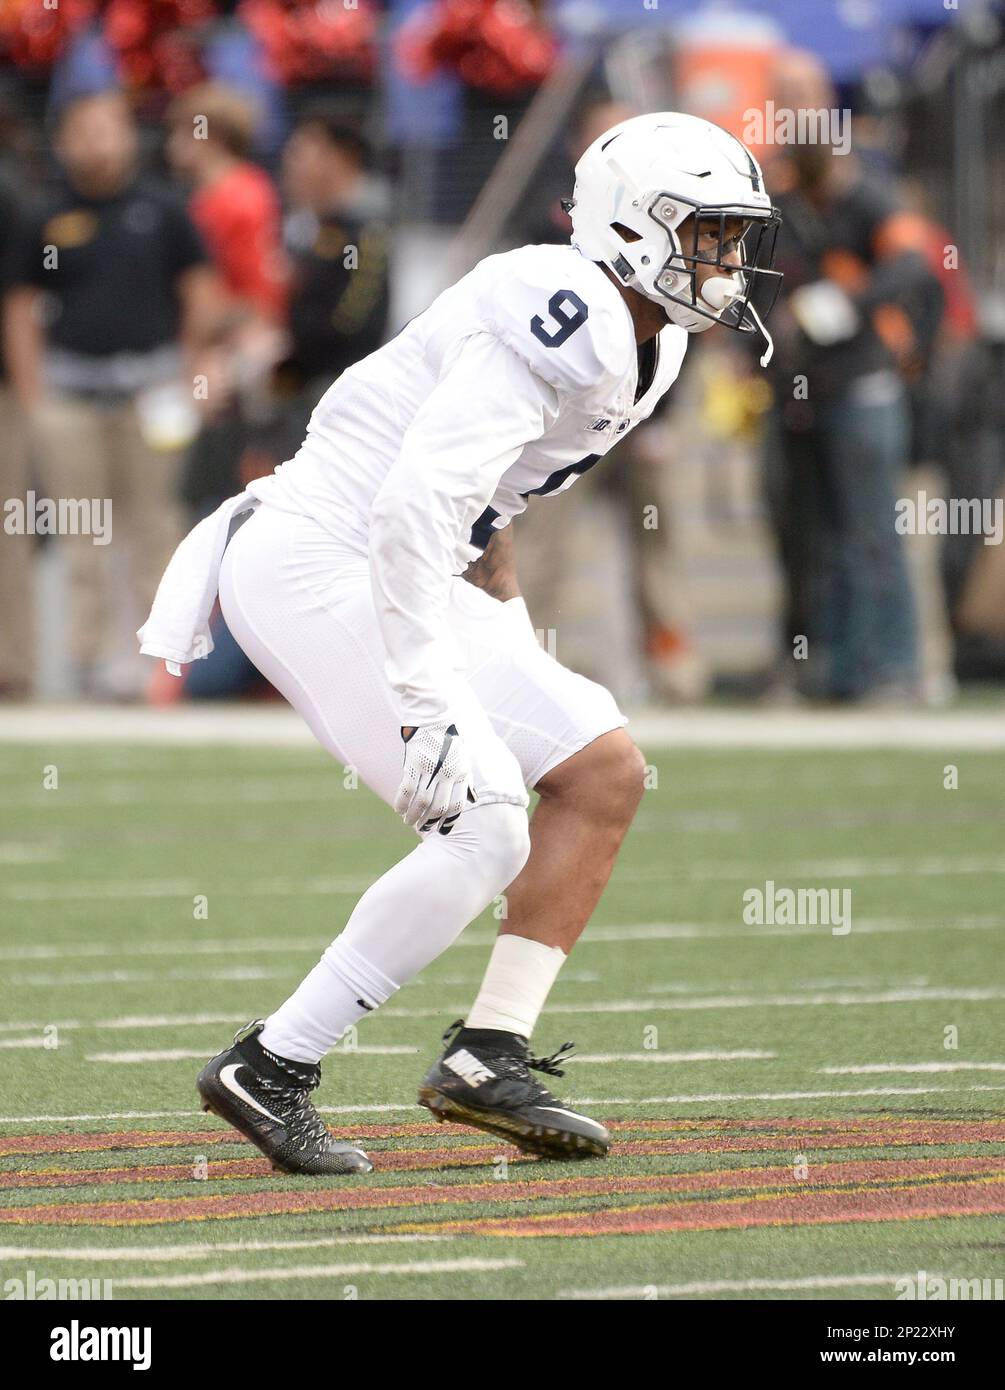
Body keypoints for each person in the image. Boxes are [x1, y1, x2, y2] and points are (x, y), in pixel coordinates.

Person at [139, 112, 781, 1175]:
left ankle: (487, 1052)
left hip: (408, 555)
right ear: (631, 227)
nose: (726, 256)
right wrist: (433, 693)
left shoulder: (650, 337)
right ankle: (272, 1064)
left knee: (601, 767)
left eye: (732, 232)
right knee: (484, 825)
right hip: (320, 553)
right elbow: (411, 505)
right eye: (705, 229)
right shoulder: (562, 307)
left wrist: (506, 623)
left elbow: (490, 492)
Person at [4, 90, 216, 699]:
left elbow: (200, 296)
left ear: (129, 135)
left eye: (108, 127)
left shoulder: (165, 210)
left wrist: (190, 373)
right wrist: (35, 394)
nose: (97, 141)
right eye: (84, 129)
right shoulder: (45, 218)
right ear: (64, 141)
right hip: (71, 394)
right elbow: (20, 310)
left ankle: (158, 665)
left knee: (155, 526)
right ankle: (86, 662)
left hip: (151, 391)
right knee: (84, 533)